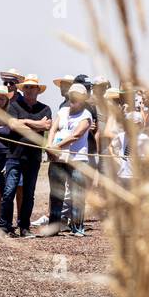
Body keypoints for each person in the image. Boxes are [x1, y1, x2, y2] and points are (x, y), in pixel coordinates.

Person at [0, 75, 53, 237]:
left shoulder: (45, 108)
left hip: (33, 157)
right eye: (27, 87)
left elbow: (48, 125)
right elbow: (13, 125)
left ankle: (24, 227)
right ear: (23, 89)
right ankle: (4, 226)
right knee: (9, 191)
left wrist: (23, 122)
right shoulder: (14, 106)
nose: (29, 90)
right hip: (14, 155)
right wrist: (38, 124)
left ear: (38, 90)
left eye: (32, 87)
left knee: (29, 193)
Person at [47, 81, 93, 236]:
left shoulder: (86, 115)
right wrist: (49, 145)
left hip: (77, 158)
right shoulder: (62, 111)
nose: (74, 99)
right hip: (58, 158)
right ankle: (53, 226)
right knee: (56, 192)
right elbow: (53, 129)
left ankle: (77, 227)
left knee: (77, 193)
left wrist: (56, 147)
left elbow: (77, 135)